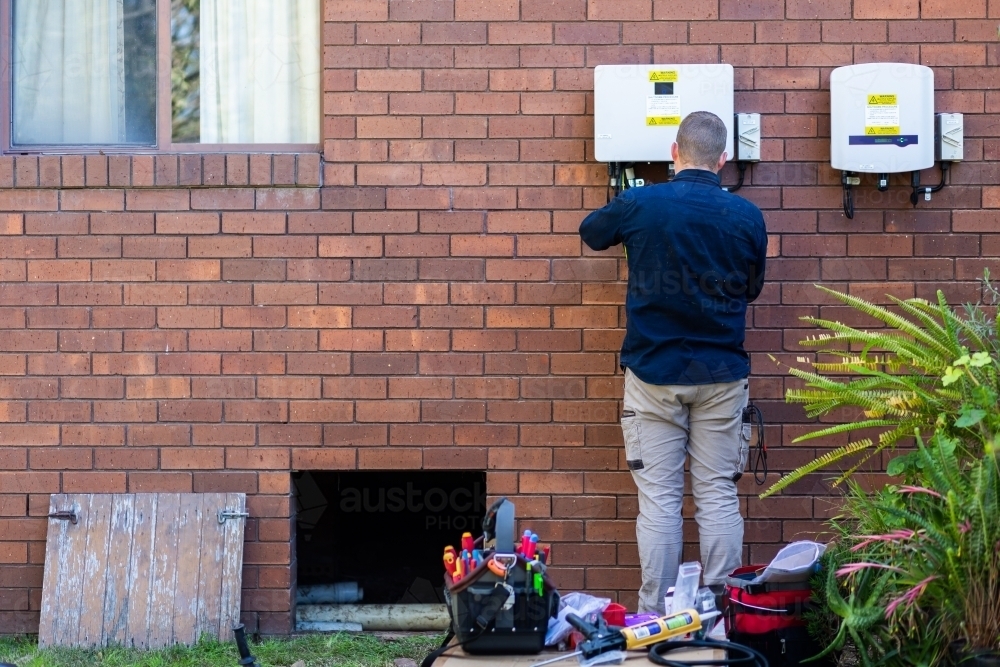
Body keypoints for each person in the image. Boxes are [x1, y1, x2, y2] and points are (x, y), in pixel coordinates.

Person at [579, 111, 768, 614]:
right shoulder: (747, 216)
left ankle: (655, 617)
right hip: (722, 375)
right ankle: (726, 613)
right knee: (717, 496)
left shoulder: (641, 202)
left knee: (660, 502)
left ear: (673, 151)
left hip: (653, 373)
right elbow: (752, 288)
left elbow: (591, 232)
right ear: (724, 159)